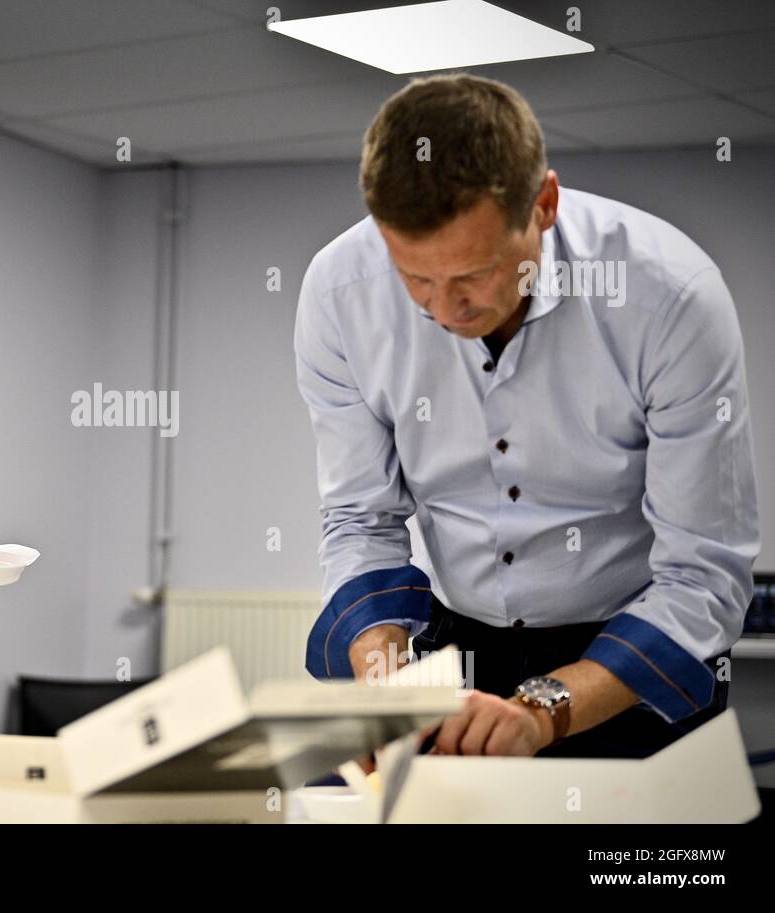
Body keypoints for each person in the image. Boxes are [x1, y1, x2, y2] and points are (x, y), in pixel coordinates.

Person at [295, 74, 758, 759]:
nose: (443, 310)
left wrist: (544, 710)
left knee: (633, 866)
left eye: (475, 273)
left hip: (630, 653)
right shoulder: (340, 293)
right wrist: (384, 680)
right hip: (461, 643)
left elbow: (704, 576)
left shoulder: (669, 298)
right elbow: (361, 518)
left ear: (543, 203)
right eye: (415, 278)